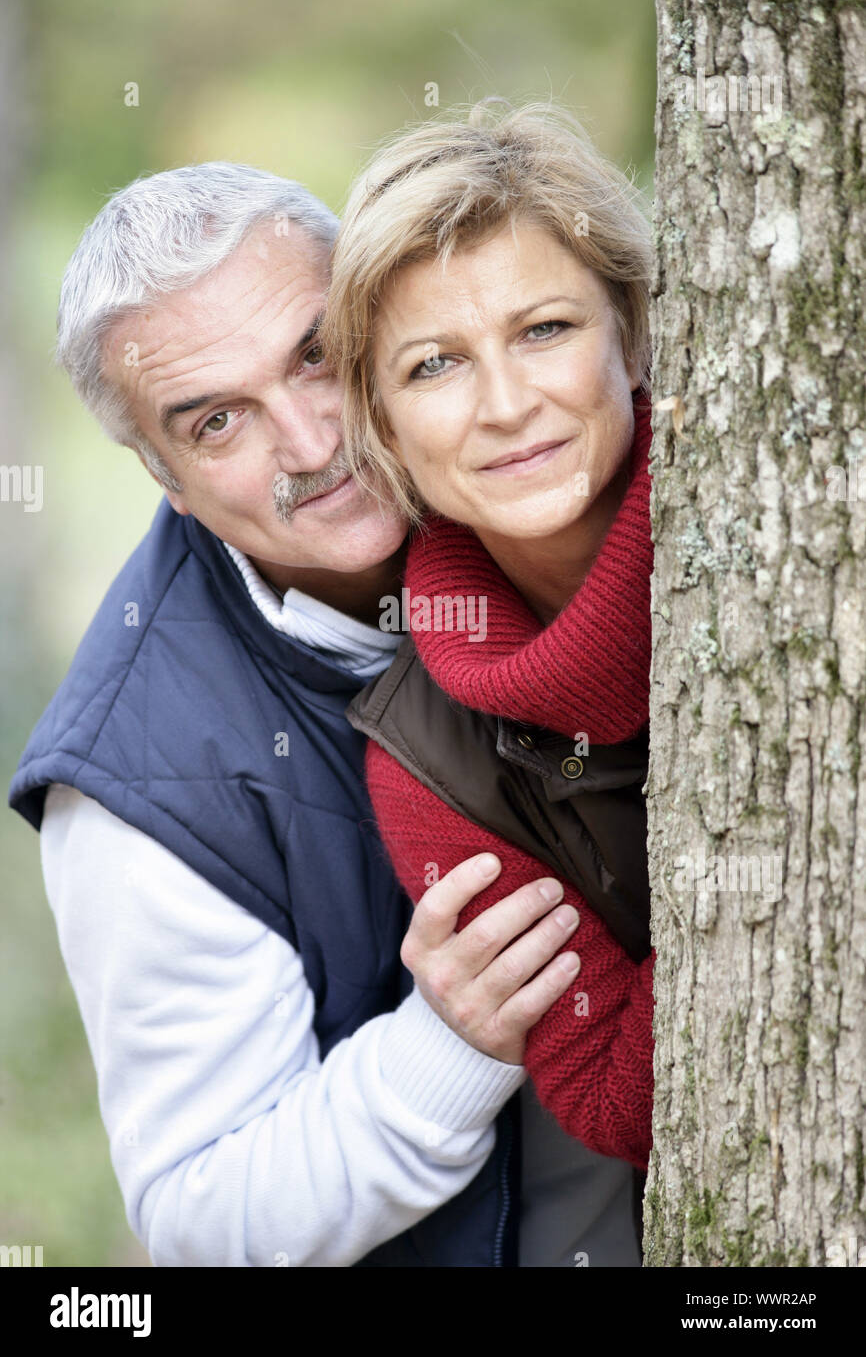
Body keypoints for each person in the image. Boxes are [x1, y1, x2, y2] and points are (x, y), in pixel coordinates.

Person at [8, 163, 592, 1268]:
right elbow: (200, 1215)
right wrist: (444, 1046)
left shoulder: (533, 461)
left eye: (315, 354)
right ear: (163, 475)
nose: (313, 442)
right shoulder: (141, 781)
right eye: (218, 419)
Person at [322, 103, 656, 1207]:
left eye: (545, 330)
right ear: (380, 424)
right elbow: (612, 1092)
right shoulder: (422, 756)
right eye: (434, 365)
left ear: (631, 331)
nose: (508, 406)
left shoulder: (812, 529)